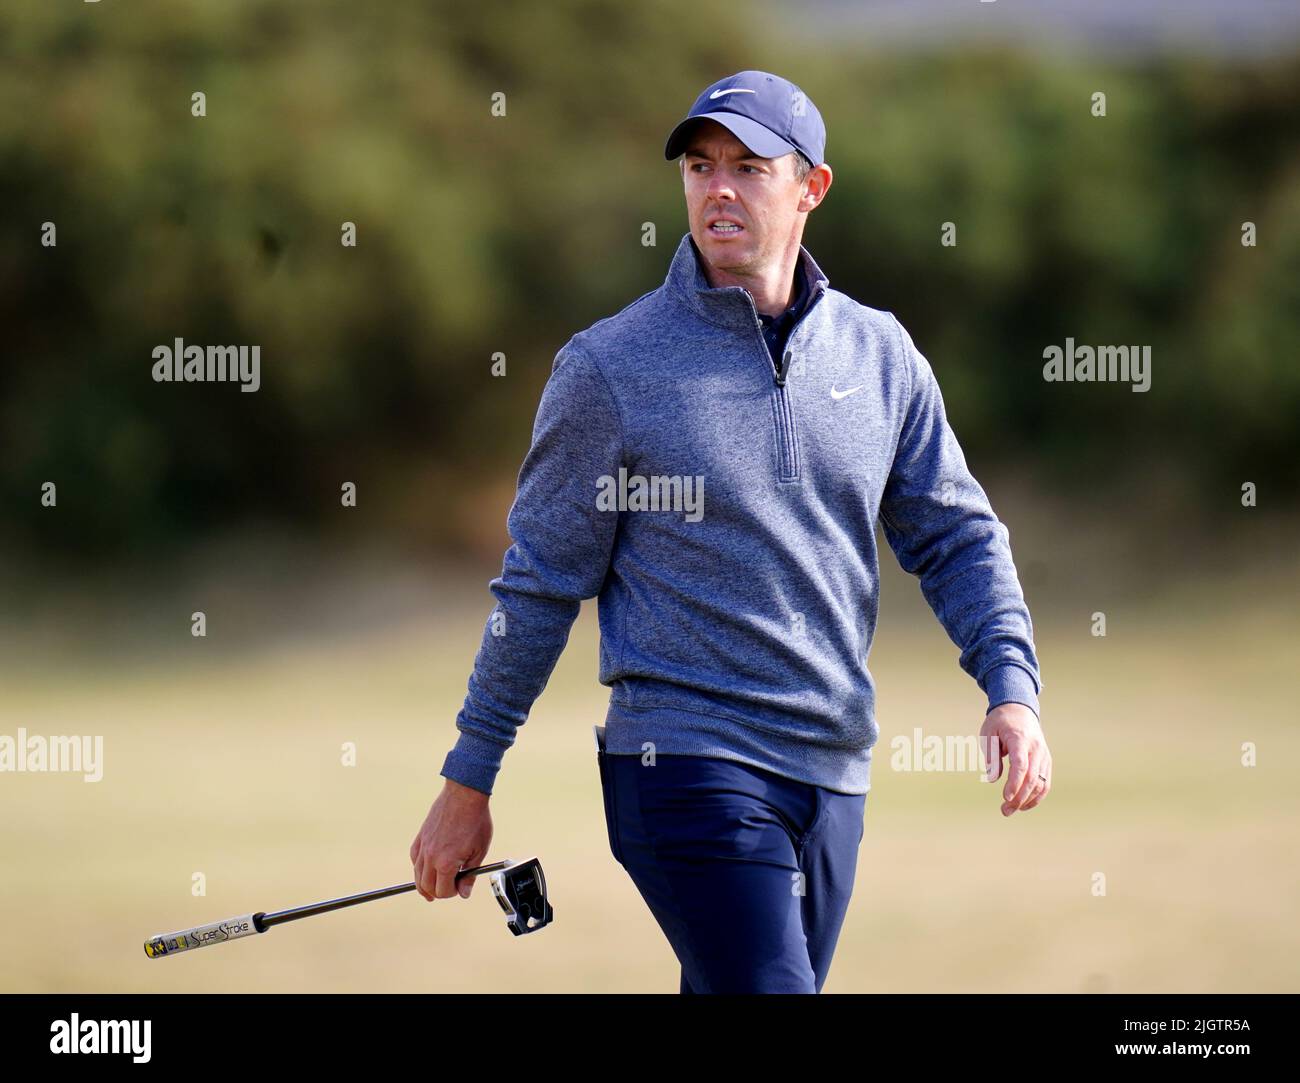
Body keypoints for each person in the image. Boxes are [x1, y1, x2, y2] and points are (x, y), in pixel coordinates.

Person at [409, 70, 1050, 993]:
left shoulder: (881, 357)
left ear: (811, 188)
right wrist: (470, 779)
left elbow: (959, 538)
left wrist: (1011, 687)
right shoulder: (610, 367)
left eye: (750, 167)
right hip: (683, 759)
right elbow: (541, 583)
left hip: (831, 769)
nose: (718, 189)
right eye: (701, 166)